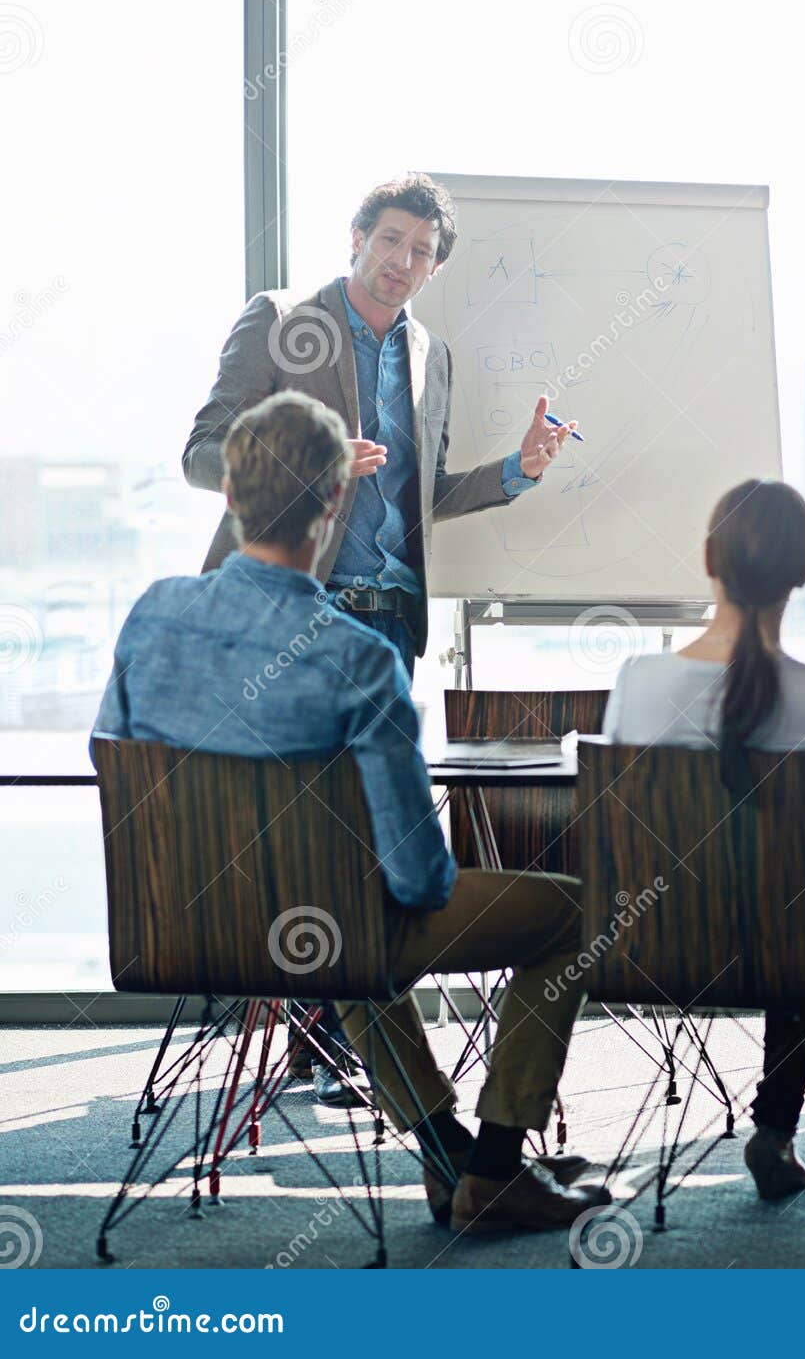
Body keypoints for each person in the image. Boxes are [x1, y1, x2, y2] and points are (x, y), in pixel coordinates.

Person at [97, 391, 610, 1237]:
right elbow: (418, 875)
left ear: (229, 494)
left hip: (173, 927)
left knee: (344, 909)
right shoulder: (357, 658)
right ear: (338, 501)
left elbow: (117, 751)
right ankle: (494, 1166)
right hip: (323, 932)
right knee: (566, 911)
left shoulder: (150, 617)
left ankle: (451, 1156)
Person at [183, 172, 577, 1102]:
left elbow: (417, 492)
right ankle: (326, 1039)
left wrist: (516, 474)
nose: (404, 264)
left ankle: (339, 1037)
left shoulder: (430, 353)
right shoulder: (282, 319)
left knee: (357, 832)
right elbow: (203, 455)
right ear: (357, 235)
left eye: (423, 253)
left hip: (388, 623)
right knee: (311, 831)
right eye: (391, 241)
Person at [603, 480, 805, 1200]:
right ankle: (781, 1123)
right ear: (803, 572)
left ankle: (788, 1115)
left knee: (784, 900)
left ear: (708, 557)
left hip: (660, 948)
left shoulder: (636, 683)